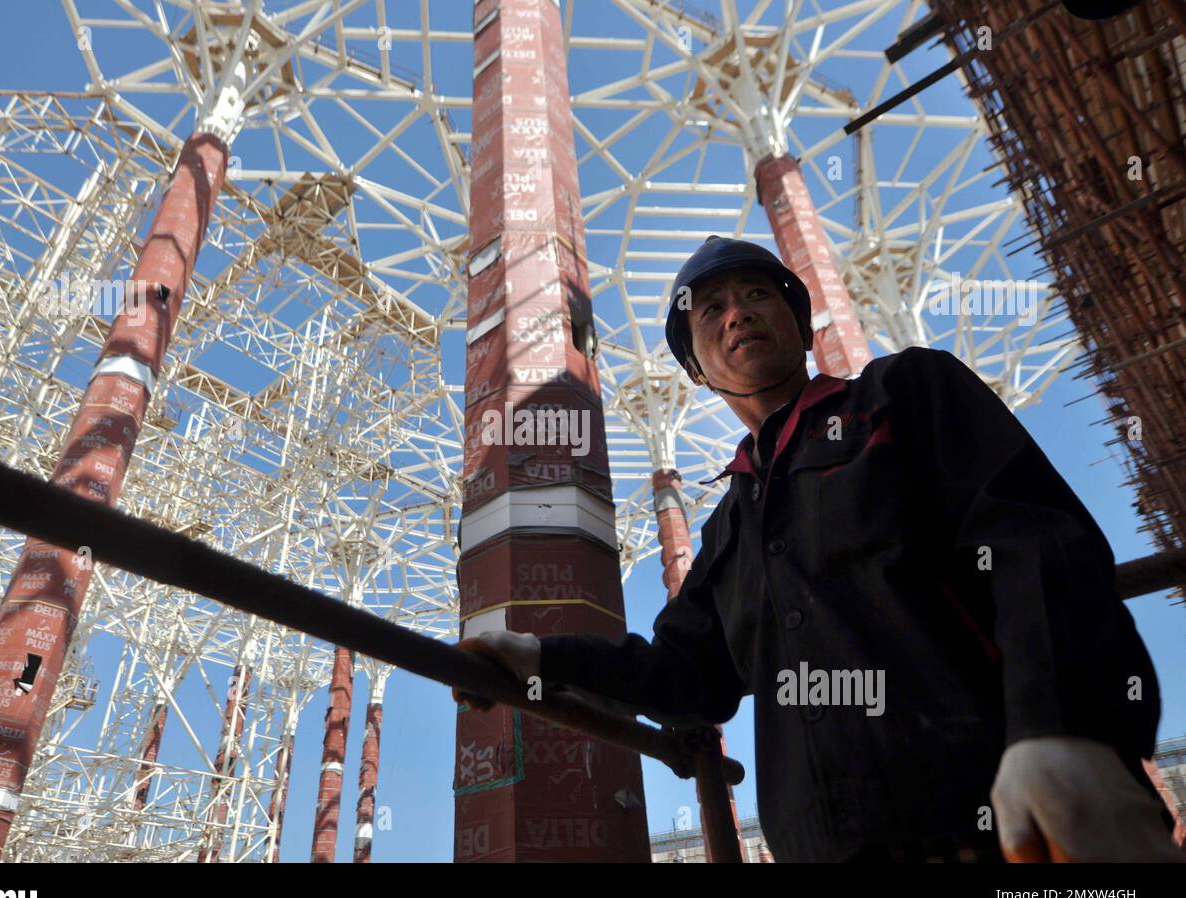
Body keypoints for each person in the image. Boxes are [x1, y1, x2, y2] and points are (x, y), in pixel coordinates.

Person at [454, 236, 1181, 863]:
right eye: (710, 312)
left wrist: (1061, 732)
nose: (736, 312)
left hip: (1012, 816)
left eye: (755, 294)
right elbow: (686, 673)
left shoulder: (904, 397)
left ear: (802, 328)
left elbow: (1033, 543)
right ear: (698, 372)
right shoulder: (730, 531)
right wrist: (541, 659)